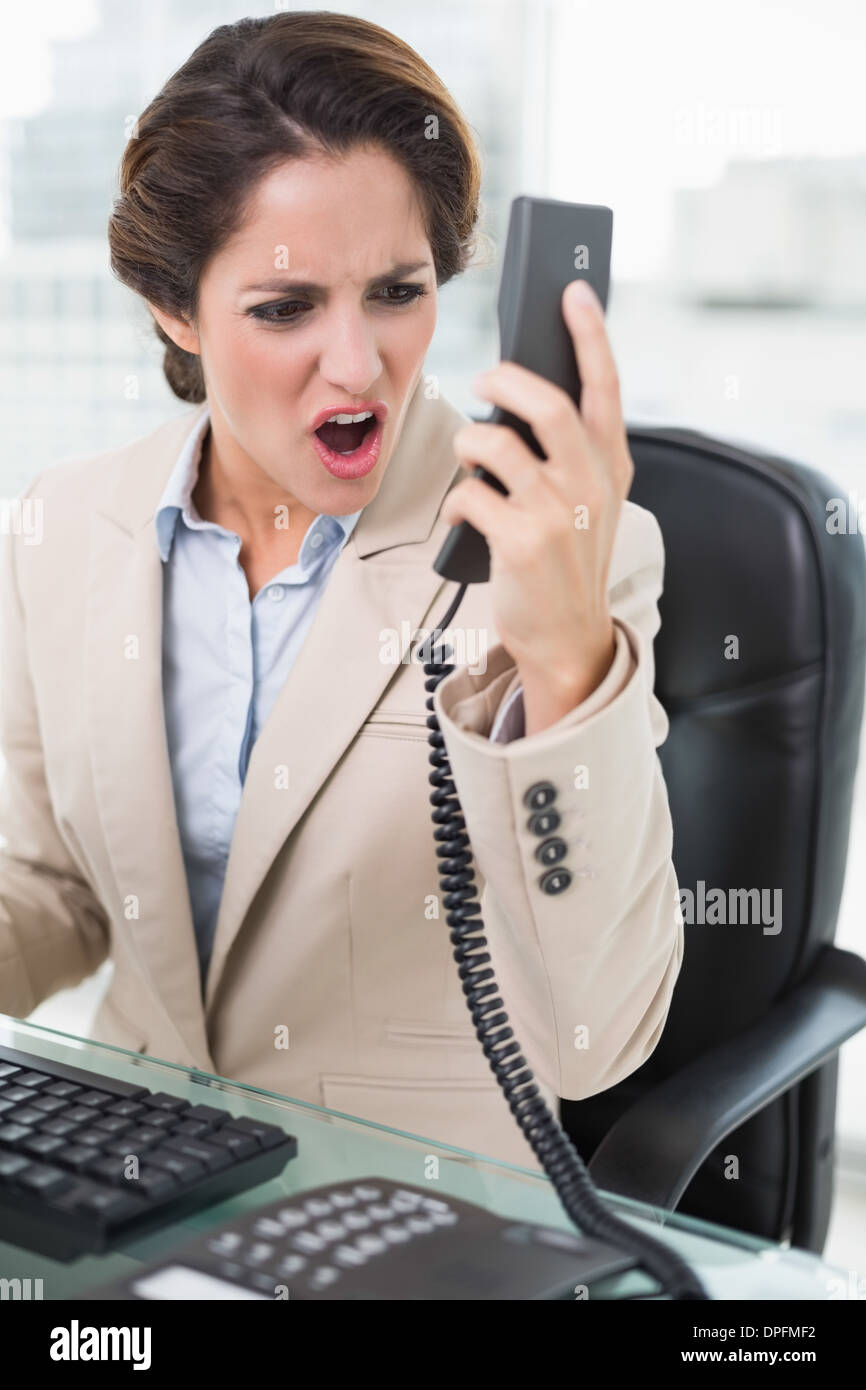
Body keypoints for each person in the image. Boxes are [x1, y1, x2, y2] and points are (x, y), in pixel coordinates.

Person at [0, 11, 682, 1170]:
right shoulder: (61, 526)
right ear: (174, 308)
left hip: (410, 1207)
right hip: (121, 1172)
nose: (358, 365)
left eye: (396, 291)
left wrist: (564, 659)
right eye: (283, 308)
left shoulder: (561, 555)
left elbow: (592, 1038)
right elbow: (51, 890)